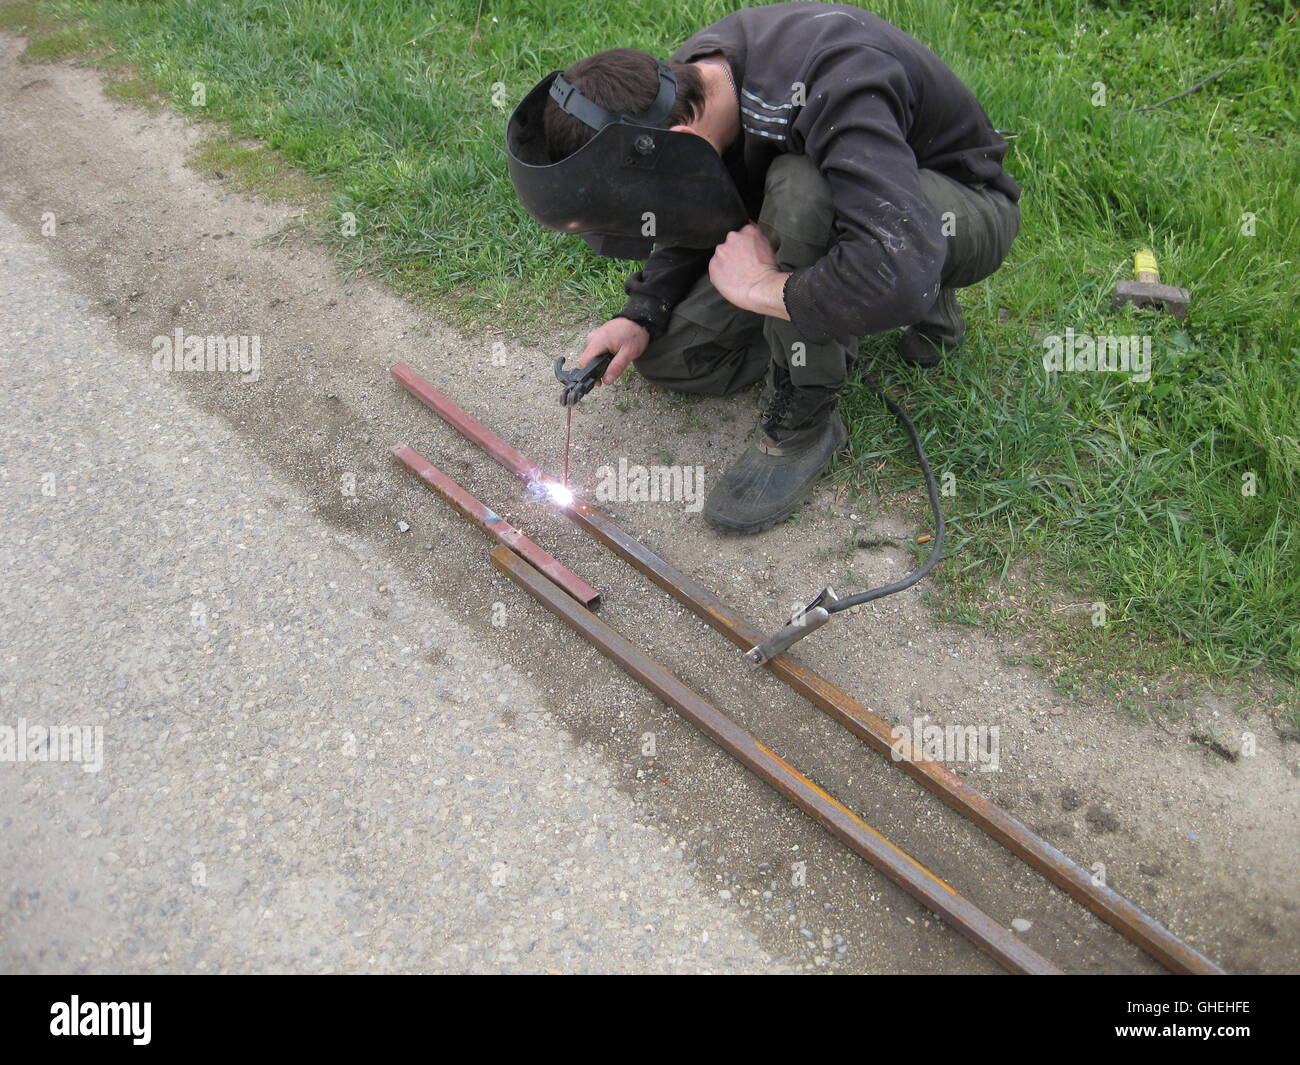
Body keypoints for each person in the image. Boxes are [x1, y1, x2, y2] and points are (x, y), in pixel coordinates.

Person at [507, 2, 1020, 534]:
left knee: (802, 188)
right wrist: (642, 311)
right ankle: (834, 290)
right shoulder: (686, 88)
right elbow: (695, 200)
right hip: (871, 215)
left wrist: (764, 286)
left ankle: (804, 423)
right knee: (677, 359)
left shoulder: (838, 80)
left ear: (680, 142)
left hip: (949, 215)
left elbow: (900, 272)